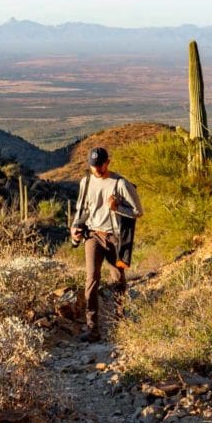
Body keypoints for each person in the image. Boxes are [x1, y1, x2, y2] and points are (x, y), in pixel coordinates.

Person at [69, 146, 142, 341]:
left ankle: (120, 321)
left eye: (100, 165)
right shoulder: (86, 182)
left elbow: (137, 212)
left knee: (117, 278)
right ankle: (92, 328)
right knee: (91, 279)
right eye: (93, 166)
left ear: (107, 163)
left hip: (114, 237)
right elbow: (82, 208)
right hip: (93, 235)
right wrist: (75, 227)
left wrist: (117, 208)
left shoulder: (120, 184)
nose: (96, 169)